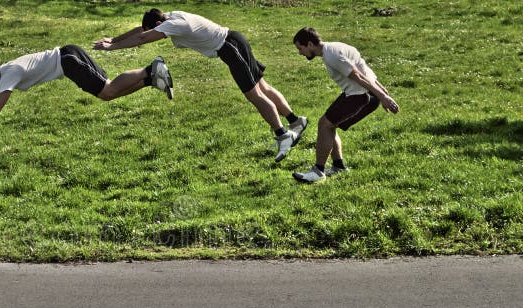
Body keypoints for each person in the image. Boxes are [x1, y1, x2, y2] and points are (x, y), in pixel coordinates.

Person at [93, 8, 307, 162]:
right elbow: (140, 31)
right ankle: (295, 121)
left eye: (154, 31)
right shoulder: (171, 14)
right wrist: (113, 39)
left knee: (255, 94)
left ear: (158, 25)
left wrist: (112, 48)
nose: (154, 35)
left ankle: (283, 135)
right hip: (234, 42)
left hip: (230, 48)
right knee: (263, 87)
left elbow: (141, 38)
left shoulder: (174, 23)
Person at [0, 45, 173, 144]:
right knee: (108, 93)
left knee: (108, 89)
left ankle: (150, 68)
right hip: (69, 56)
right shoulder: (4, 71)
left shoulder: (9, 75)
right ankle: (150, 79)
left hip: (69, 63)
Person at [291, 27, 400, 183]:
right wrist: (382, 93)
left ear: (309, 44)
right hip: (361, 94)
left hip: (360, 97)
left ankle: (318, 172)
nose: (300, 53)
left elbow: (359, 76)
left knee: (325, 125)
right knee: (328, 124)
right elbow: (365, 71)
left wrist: (383, 97)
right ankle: (338, 166)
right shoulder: (337, 47)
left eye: (300, 48)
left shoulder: (332, 55)